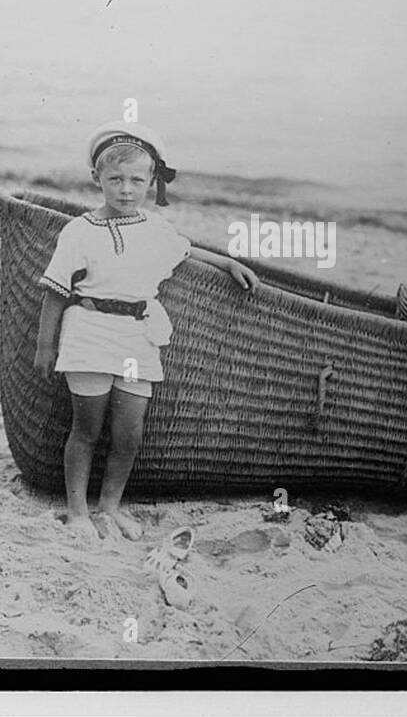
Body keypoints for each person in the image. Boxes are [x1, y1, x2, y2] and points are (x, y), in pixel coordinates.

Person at [33, 122, 259, 542]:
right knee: (86, 428)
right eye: (115, 179)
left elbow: (187, 251)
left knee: (129, 433)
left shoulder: (155, 228)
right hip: (87, 333)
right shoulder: (79, 231)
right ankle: (78, 512)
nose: (126, 189)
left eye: (137, 180)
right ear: (96, 179)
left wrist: (228, 262)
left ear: (152, 183)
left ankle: (110, 507)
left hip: (137, 337)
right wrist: (45, 347)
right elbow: (55, 291)